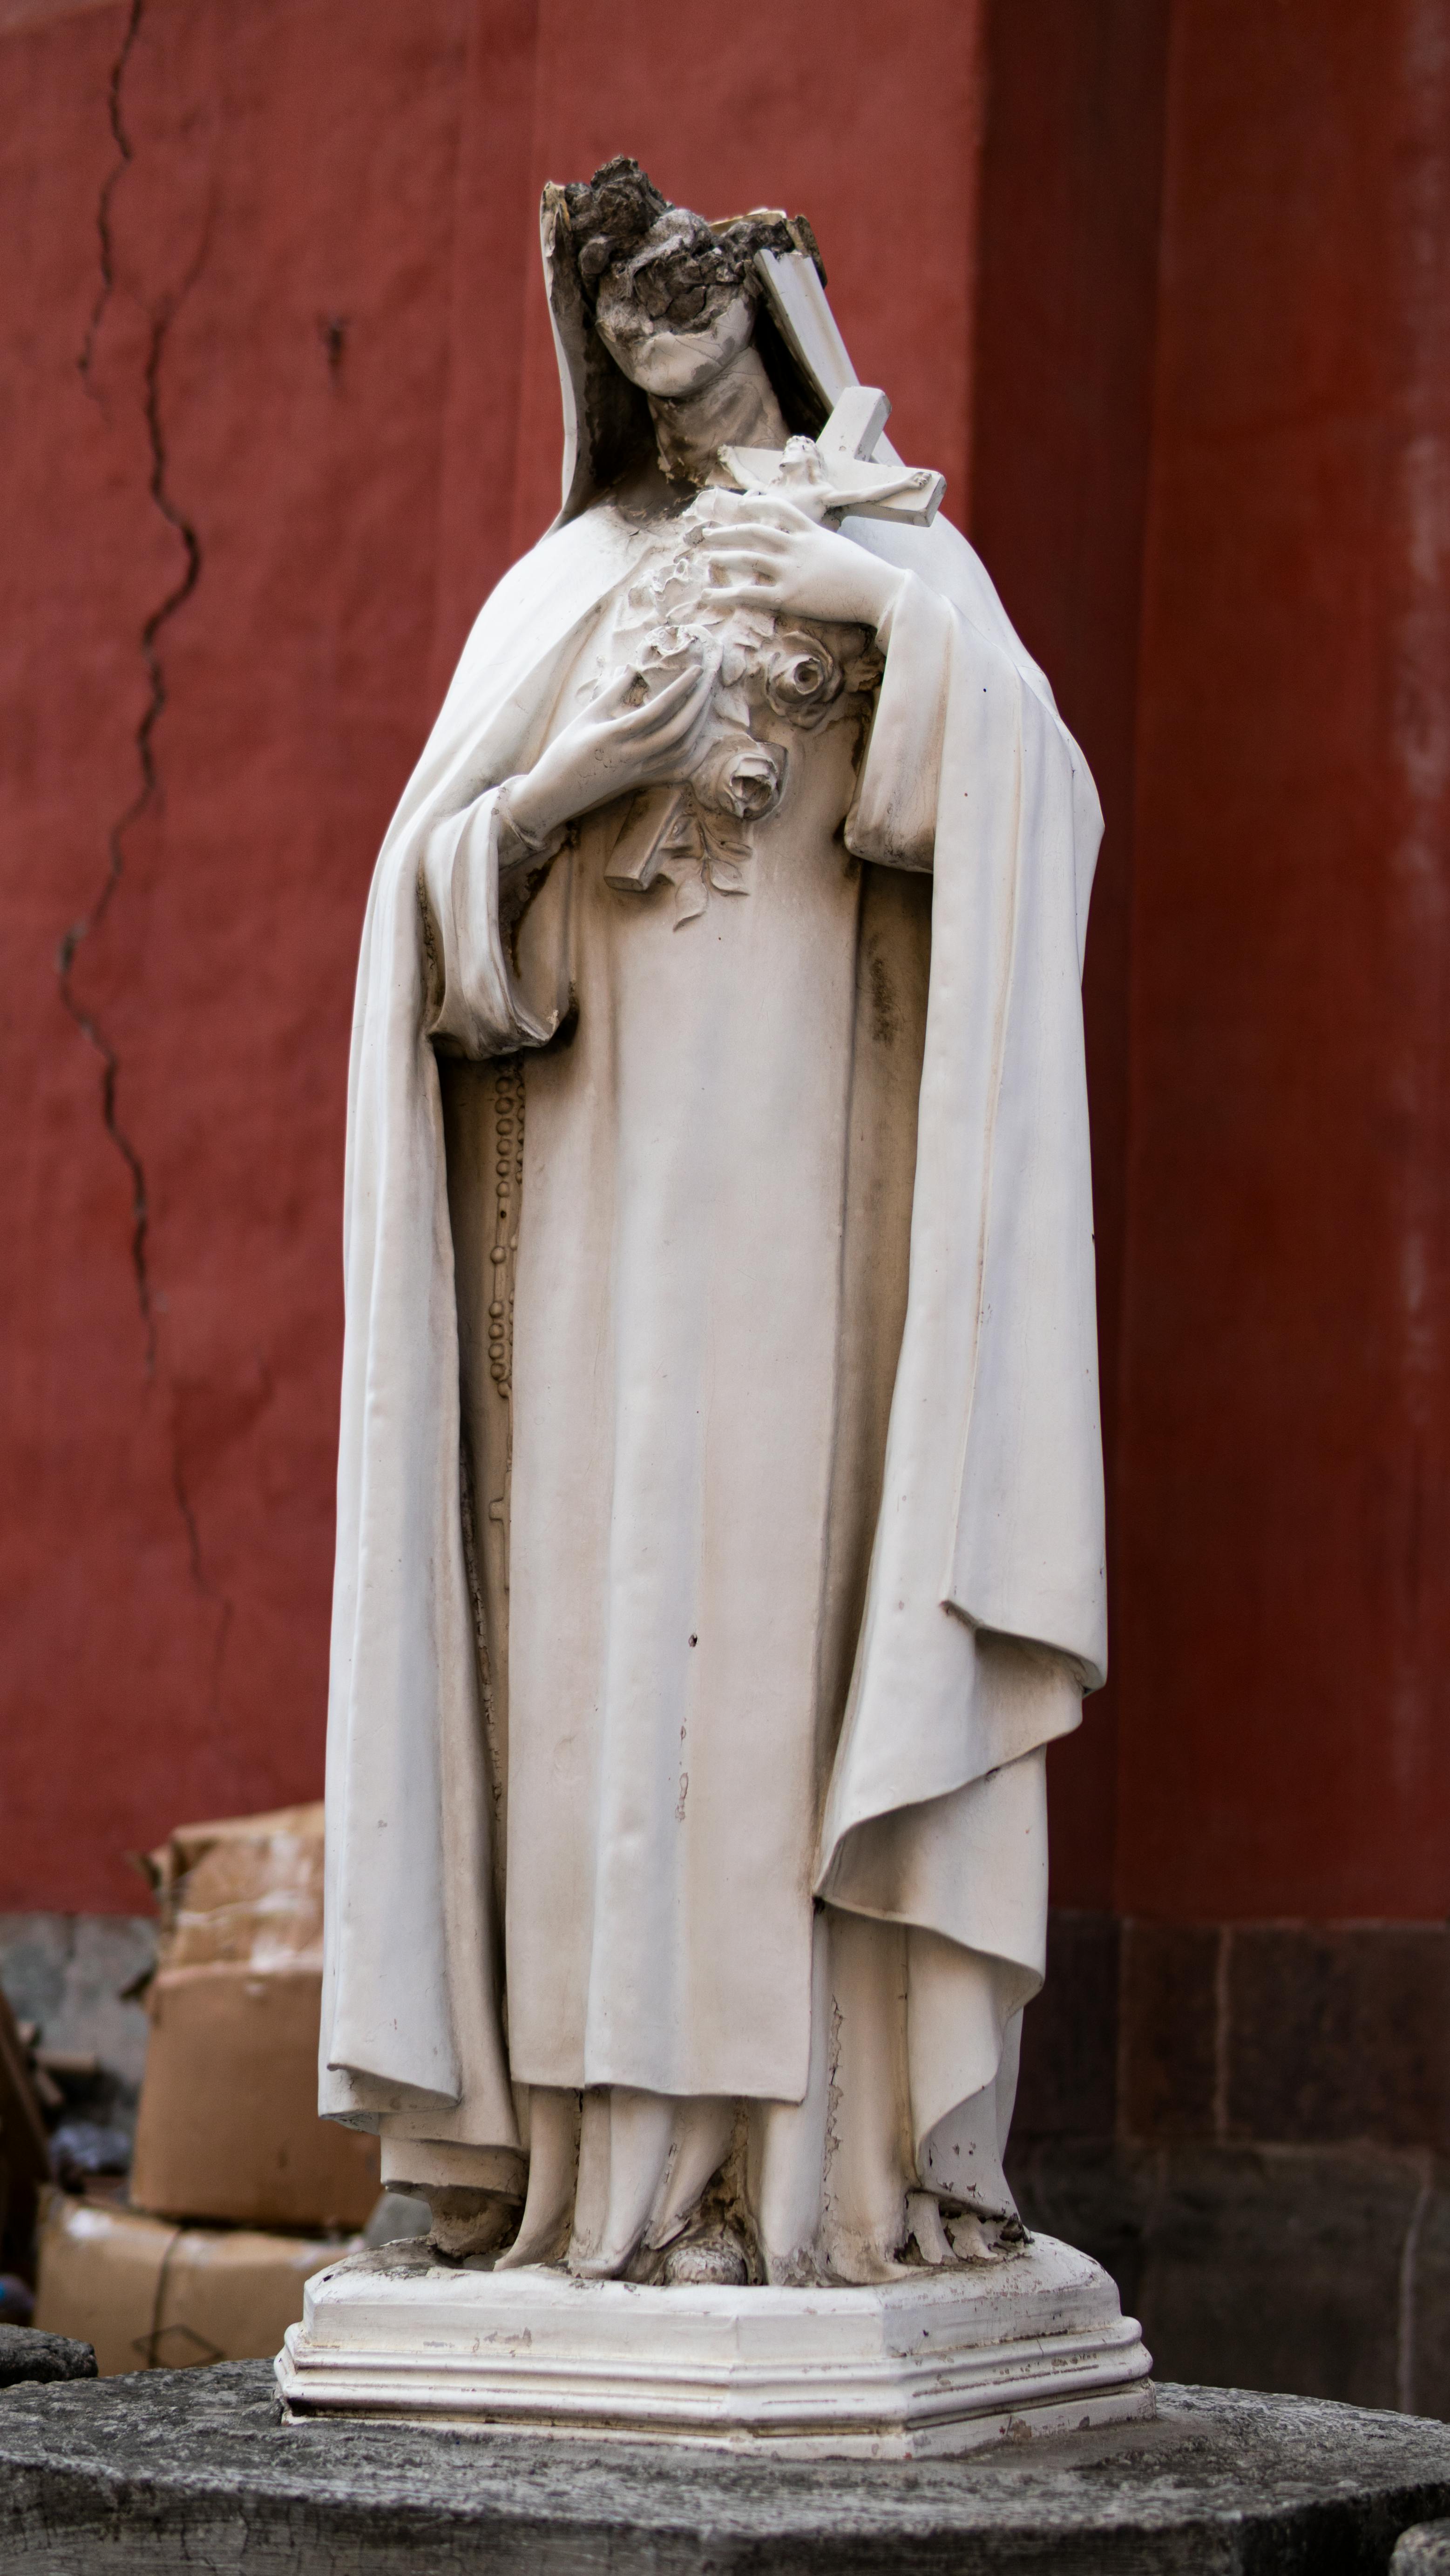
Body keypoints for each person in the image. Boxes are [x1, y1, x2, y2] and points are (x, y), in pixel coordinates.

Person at [320, 160, 1106, 2286]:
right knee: (589, 1643)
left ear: (767, 319)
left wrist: (882, 618)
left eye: (689, 322)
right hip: (573, 1217)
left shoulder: (892, 543)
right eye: (622, 338)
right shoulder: (560, 582)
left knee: (777, 1628)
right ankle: (598, 2176)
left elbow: (1037, 815)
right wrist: (564, 789)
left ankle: (804, 2177)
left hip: (810, 1205)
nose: (661, 370)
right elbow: (421, 936)